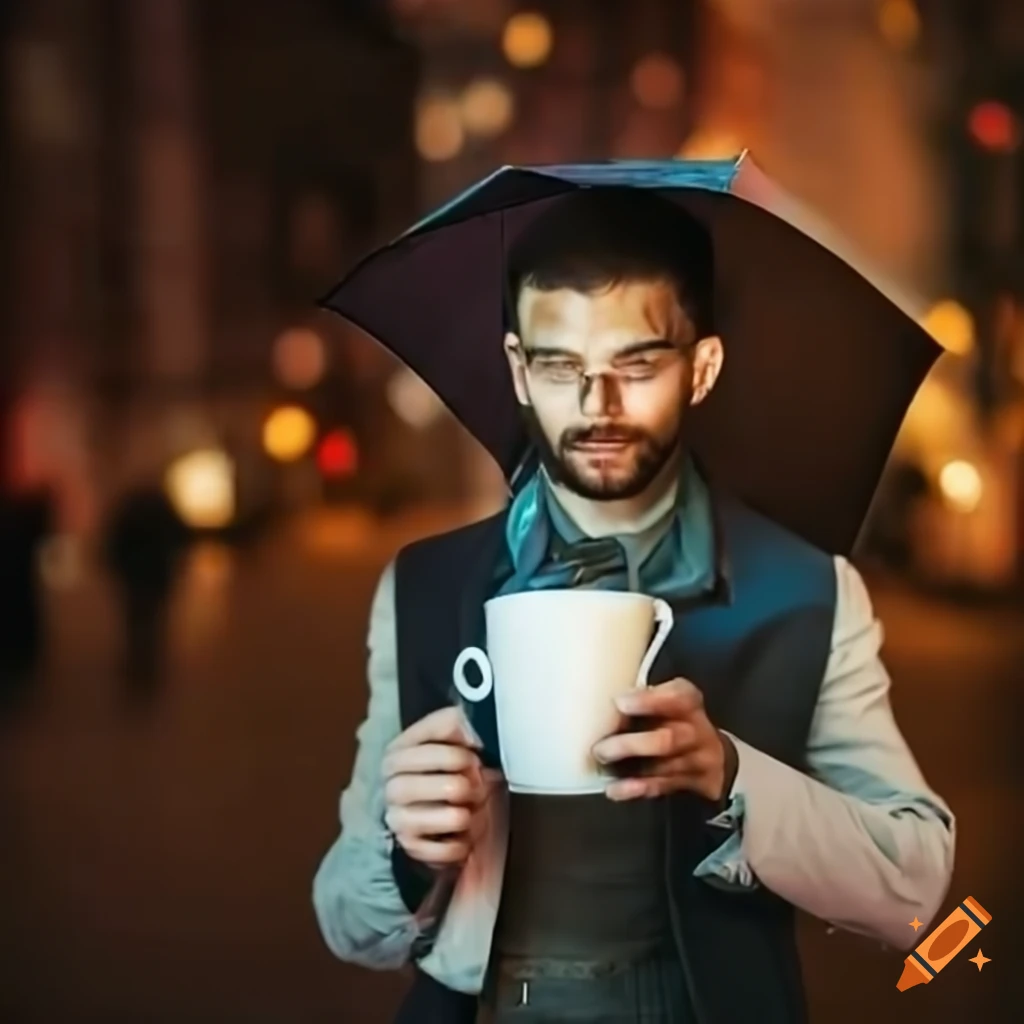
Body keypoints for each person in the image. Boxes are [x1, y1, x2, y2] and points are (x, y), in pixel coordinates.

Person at [312, 188, 955, 1023]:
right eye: (560, 367)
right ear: (517, 369)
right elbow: (347, 925)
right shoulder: (425, 587)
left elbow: (915, 890)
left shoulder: (808, 592)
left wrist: (729, 774)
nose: (596, 406)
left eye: (639, 364)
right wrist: (406, 849)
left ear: (704, 366)